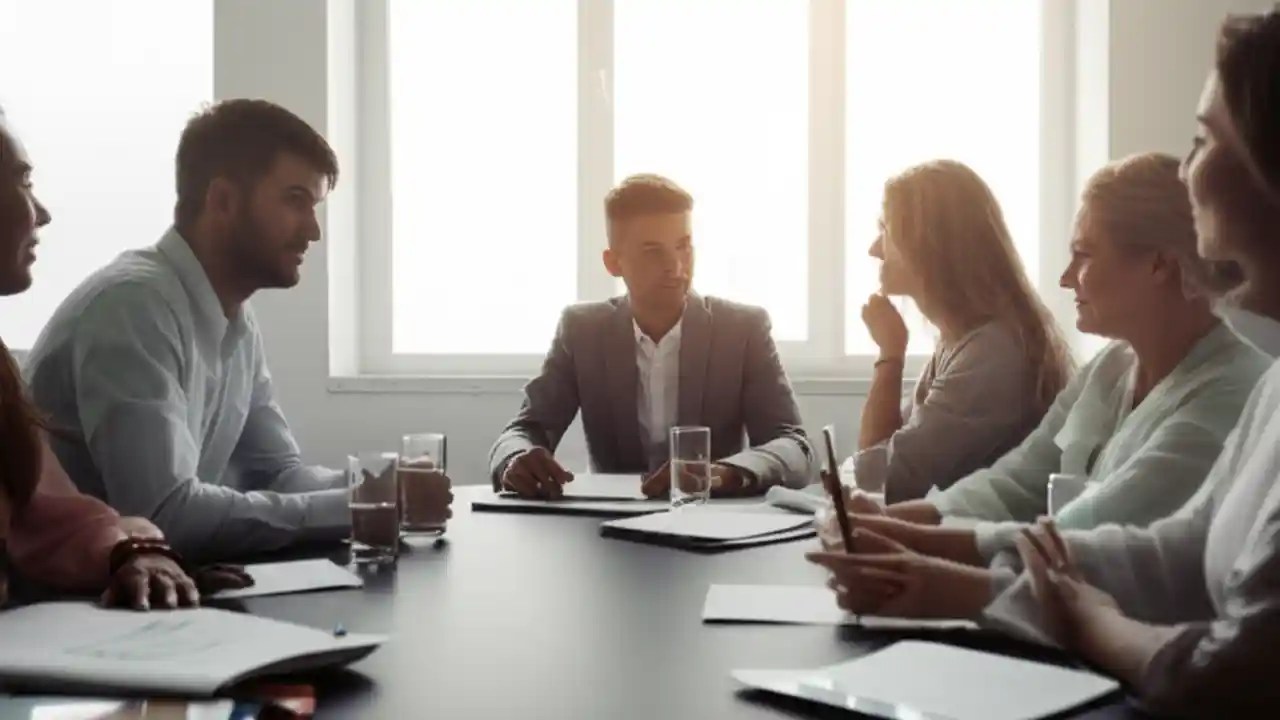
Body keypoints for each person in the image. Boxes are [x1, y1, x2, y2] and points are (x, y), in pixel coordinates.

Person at [812, 11, 1280, 715]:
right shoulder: (1215, 381)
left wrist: (1072, 615)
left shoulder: (1235, 387)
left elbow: (1225, 672)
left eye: (1202, 140)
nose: (1186, 173)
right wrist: (929, 538)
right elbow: (1173, 550)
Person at [24, 99, 451, 561]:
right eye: (295, 201)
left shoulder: (234, 316)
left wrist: (383, 482)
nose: (313, 231)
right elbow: (164, 515)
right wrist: (364, 505)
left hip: (150, 589)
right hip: (75, 603)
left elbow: (278, 473)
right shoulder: (133, 306)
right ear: (223, 200)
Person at [860, 153, 1268, 534]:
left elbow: (1088, 535)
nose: (1066, 278)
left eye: (1084, 255)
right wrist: (896, 524)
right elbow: (1016, 481)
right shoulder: (1112, 367)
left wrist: (903, 536)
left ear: (1158, 264)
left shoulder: (1228, 393)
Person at [0, 106, 248, 608]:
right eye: (22, 181)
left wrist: (135, 552)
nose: (42, 212)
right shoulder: (132, 303)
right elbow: (167, 505)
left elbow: (54, 518)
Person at [489, 174, 814, 499]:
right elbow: (524, 430)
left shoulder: (743, 329)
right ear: (613, 262)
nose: (676, 266)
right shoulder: (582, 330)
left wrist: (724, 475)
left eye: (683, 246)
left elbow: (794, 446)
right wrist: (515, 459)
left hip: (711, 519)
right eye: (653, 251)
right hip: (612, 527)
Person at [855, 160, 1073, 502]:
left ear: (929, 244)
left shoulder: (993, 352)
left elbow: (879, 476)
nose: (873, 249)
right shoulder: (963, 339)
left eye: (886, 230)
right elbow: (884, 459)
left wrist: (890, 354)